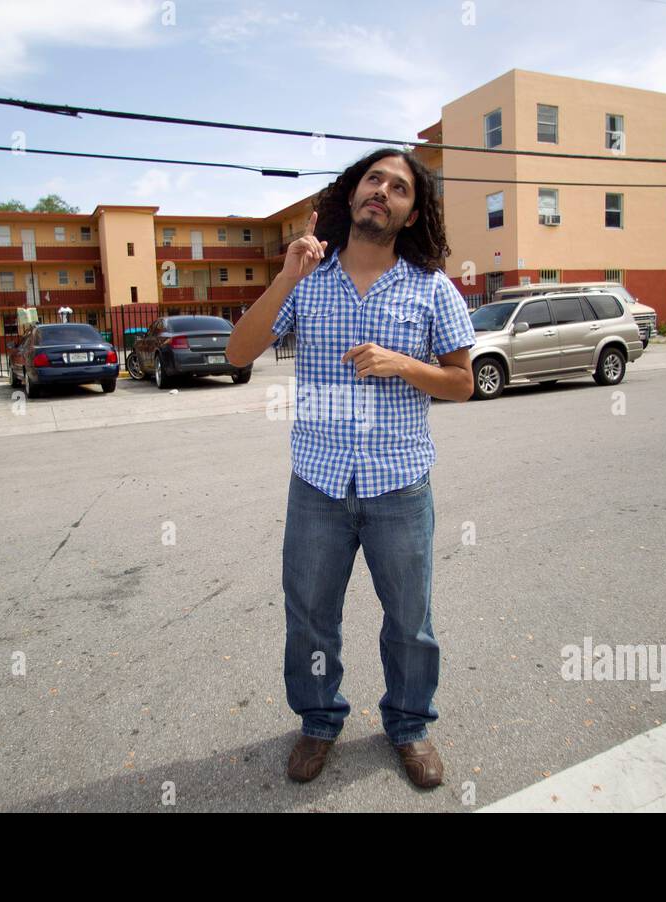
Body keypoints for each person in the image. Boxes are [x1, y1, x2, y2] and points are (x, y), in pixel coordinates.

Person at [226, 147, 476, 789]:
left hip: (400, 483)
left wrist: (405, 365)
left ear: (411, 211)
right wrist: (286, 275)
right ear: (354, 192)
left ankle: (410, 727)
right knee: (310, 616)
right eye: (375, 179)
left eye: (399, 187)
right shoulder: (307, 277)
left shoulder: (432, 287)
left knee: (409, 619)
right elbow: (237, 352)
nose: (383, 191)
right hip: (318, 483)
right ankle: (318, 721)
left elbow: (462, 383)